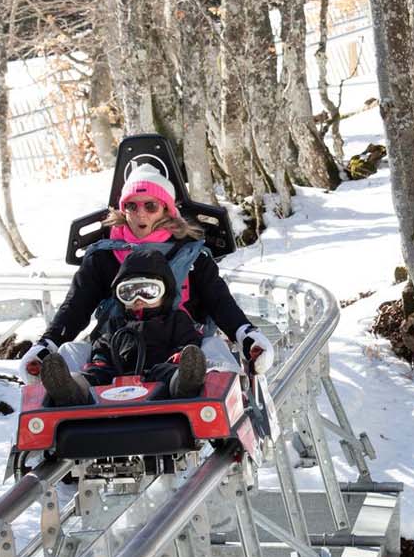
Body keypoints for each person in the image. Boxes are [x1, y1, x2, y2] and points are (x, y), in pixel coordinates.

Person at [28, 161, 274, 400]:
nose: (140, 214)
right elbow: (75, 308)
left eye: (150, 206)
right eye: (132, 207)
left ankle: (198, 389)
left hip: (179, 347)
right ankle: (71, 391)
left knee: (212, 350)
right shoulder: (103, 256)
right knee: (71, 353)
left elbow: (220, 303)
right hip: (117, 349)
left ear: (166, 209)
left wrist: (245, 334)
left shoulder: (191, 256)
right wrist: (47, 345)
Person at [39, 249, 208, 406]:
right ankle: (70, 388)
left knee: (167, 371)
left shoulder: (176, 320)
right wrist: (100, 362)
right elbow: (103, 345)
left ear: (165, 294)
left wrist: (180, 358)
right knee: (94, 376)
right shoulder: (115, 323)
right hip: (114, 378)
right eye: (129, 293)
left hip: (158, 375)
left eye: (149, 291)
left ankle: (185, 382)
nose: (139, 299)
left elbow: (188, 342)